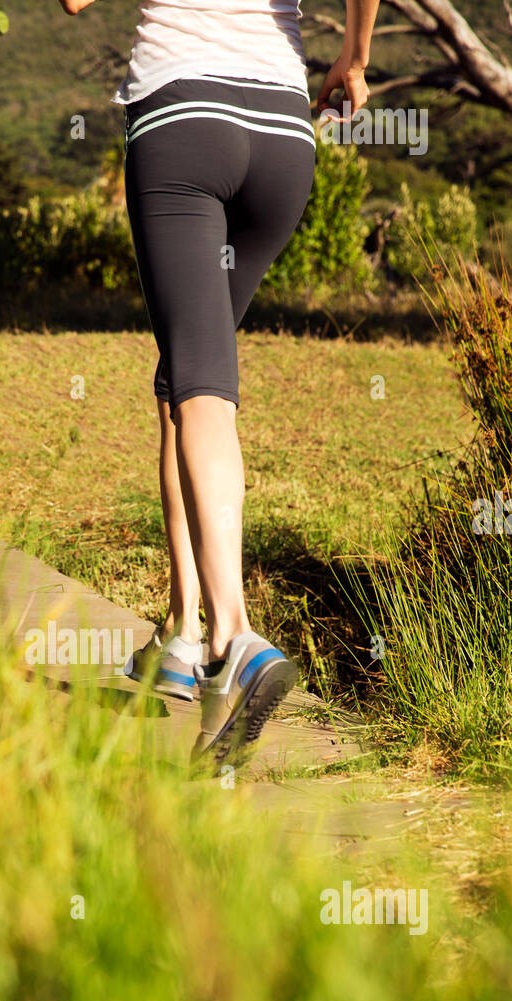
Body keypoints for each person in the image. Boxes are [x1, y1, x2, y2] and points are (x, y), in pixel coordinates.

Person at [58, 0, 380, 762]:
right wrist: (355, 57)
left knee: (200, 381)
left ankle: (232, 635)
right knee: (183, 378)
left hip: (183, 120)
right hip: (279, 133)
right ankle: (179, 632)